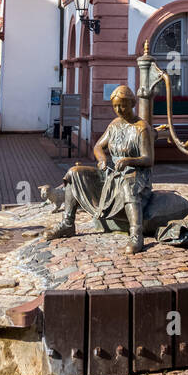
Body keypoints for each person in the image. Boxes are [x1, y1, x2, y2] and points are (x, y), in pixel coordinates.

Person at [45, 85, 153, 253]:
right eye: (115, 106)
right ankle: (67, 223)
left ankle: (136, 234)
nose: (119, 110)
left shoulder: (141, 128)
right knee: (74, 173)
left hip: (135, 175)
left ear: (132, 103)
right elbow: (98, 147)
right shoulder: (114, 125)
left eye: (122, 105)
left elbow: (149, 159)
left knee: (127, 185)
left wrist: (129, 160)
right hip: (111, 173)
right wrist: (102, 160)